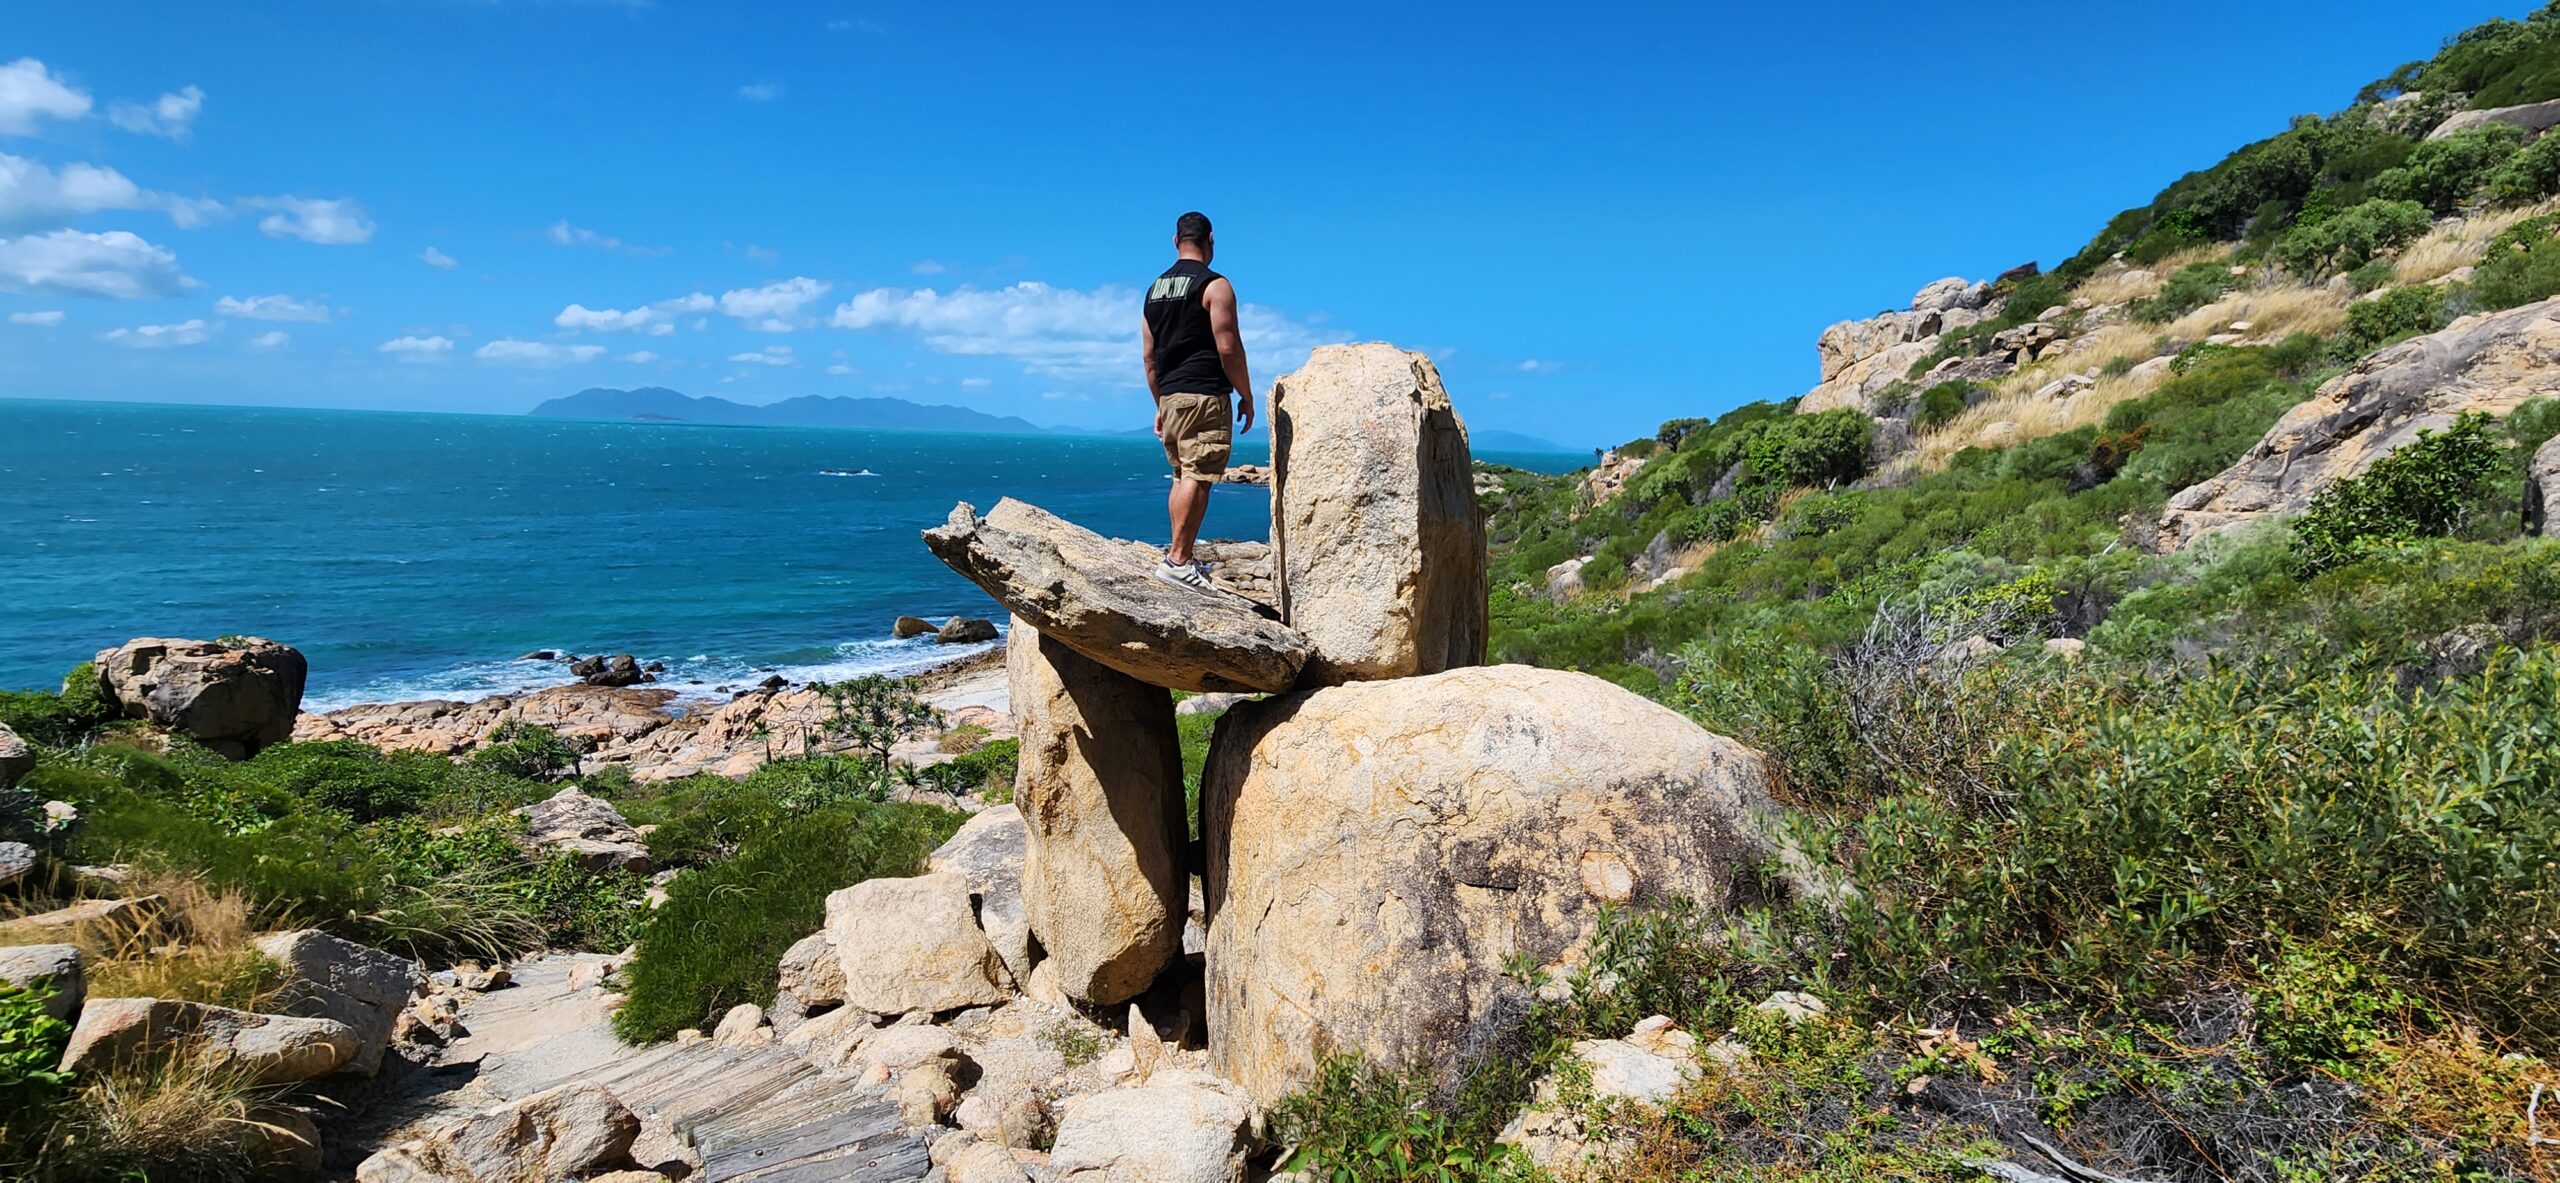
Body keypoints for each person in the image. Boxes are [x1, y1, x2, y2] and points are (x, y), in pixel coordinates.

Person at [1140, 210, 1256, 593]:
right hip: (1204, 393)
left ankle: (1179, 557)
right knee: (1198, 477)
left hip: (1170, 396)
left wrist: (1160, 403)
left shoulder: (1153, 291)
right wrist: (1246, 393)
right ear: (1211, 239)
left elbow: (1149, 357)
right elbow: (1228, 346)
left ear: (1175, 241)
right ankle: (1178, 560)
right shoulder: (1215, 285)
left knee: (1181, 475)